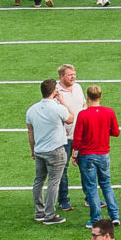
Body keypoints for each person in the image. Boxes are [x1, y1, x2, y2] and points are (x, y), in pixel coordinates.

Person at [71, 83, 120, 226]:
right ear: (100, 96)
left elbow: (78, 137)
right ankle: (114, 216)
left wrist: (74, 155)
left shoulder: (83, 114)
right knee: (106, 184)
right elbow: (116, 132)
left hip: (87, 155)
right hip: (103, 154)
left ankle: (96, 219)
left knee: (91, 187)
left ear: (87, 97)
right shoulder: (109, 112)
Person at [26, 77, 73, 225]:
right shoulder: (57, 107)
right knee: (54, 182)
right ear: (54, 91)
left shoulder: (32, 109)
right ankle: (49, 215)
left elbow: (30, 133)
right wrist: (63, 101)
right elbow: (71, 119)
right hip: (55, 150)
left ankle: (39, 212)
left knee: (39, 180)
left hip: (40, 150)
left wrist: (33, 150)